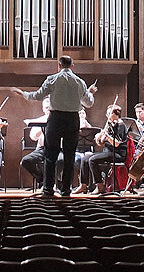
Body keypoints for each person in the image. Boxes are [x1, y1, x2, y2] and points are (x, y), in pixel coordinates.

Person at [16, 55, 97, 198]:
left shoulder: (52, 79)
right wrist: (90, 92)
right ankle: (66, 190)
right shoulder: (79, 82)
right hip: (72, 118)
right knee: (69, 155)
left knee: (50, 155)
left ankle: (48, 190)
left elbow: (38, 95)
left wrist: (24, 94)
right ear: (72, 66)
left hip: (55, 118)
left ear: (58, 66)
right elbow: (88, 103)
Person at [76, 103, 129, 194]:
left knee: (92, 160)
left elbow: (116, 144)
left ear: (116, 114)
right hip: (108, 152)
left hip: (117, 153)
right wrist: (99, 138)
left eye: (109, 114)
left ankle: (99, 186)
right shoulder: (111, 126)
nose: (107, 116)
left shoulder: (120, 126)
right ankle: (83, 185)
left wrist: (107, 136)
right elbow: (100, 144)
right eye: (107, 114)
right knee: (84, 159)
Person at [19, 98, 51, 189]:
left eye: (50, 108)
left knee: (60, 161)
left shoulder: (59, 120)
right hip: (42, 148)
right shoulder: (40, 120)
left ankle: (58, 184)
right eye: (46, 108)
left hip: (56, 148)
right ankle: (42, 179)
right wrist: (41, 130)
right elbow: (33, 137)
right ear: (43, 109)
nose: (48, 110)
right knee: (26, 161)